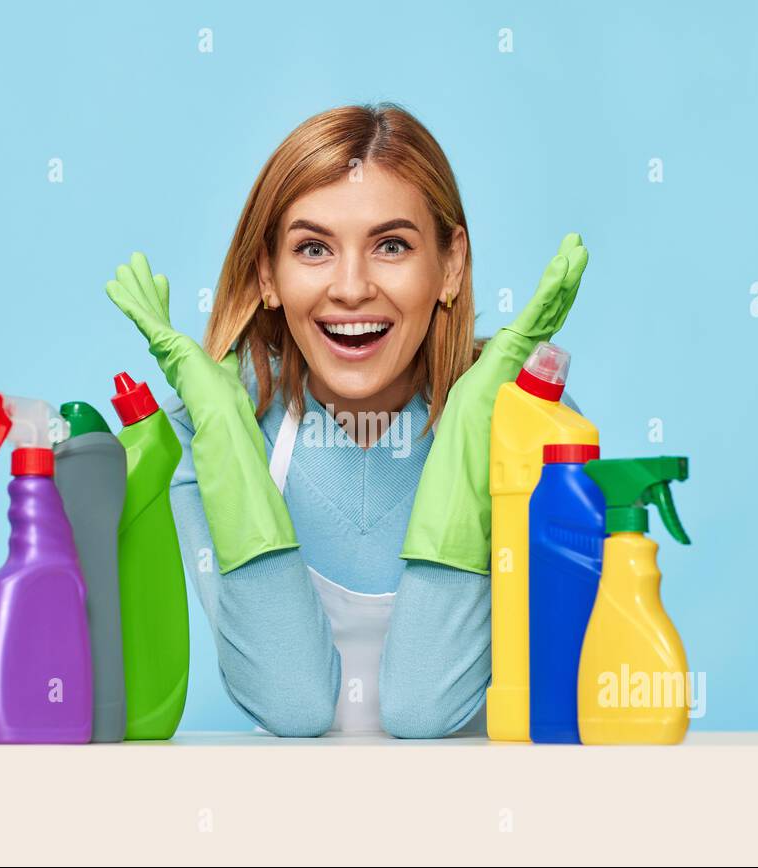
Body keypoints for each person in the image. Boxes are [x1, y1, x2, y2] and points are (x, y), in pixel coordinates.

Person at [106, 103, 588, 738]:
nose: (352, 287)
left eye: (391, 245)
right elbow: (291, 700)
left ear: (449, 264)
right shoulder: (213, 431)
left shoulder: (530, 429)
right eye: (313, 248)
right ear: (266, 274)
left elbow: (426, 706)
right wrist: (223, 427)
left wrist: (471, 426)